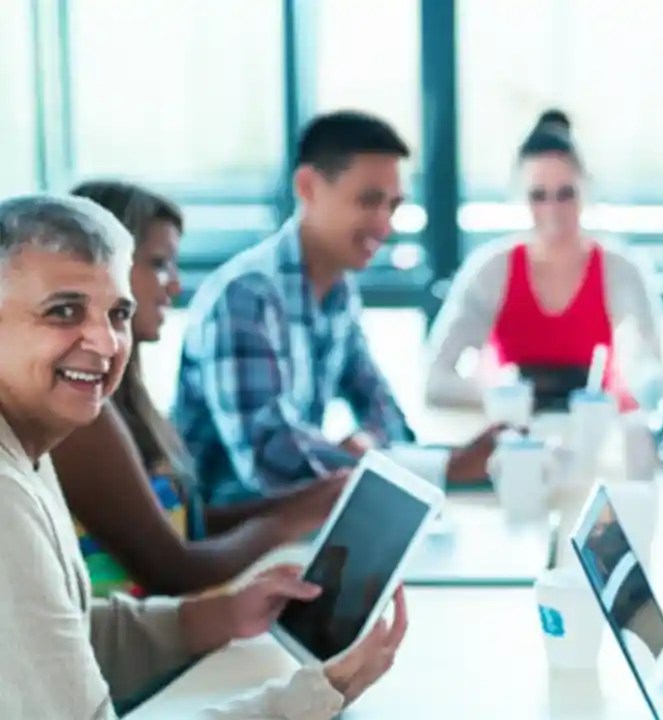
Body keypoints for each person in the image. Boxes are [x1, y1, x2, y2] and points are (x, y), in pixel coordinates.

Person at [0, 194, 407, 718]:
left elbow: (65, 635)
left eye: (117, 313)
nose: (104, 342)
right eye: (63, 311)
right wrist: (316, 694)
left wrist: (220, 615)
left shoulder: (32, 444)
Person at [172, 111, 500, 505]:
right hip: (232, 536)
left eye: (392, 206)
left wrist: (418, 454)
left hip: (300, 522)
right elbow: (271, 464)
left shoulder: (337, 290)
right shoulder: (245, 297)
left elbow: (382, 412)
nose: (385, 225)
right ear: (307, 187)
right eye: (368, 201)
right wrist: (447, 466)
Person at [50, 181, 345, 598]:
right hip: (133, 651)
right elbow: (172, 569)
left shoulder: (127, 397)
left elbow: (182, 525)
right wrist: (282, 524)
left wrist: (303, 501)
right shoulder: (82, 416)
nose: (174, 285)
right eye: (158, 264)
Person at [424, 110, 663, 411]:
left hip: (589, 432)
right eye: (539, 195)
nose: (553, 209)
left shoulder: (621, 270)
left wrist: (626, 396)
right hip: (511, 435)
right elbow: (435, 380)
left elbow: (652, 375)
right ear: (519, 197)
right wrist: (508, 397)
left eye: (566, 194)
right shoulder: (490, 270)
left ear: (586, 190)